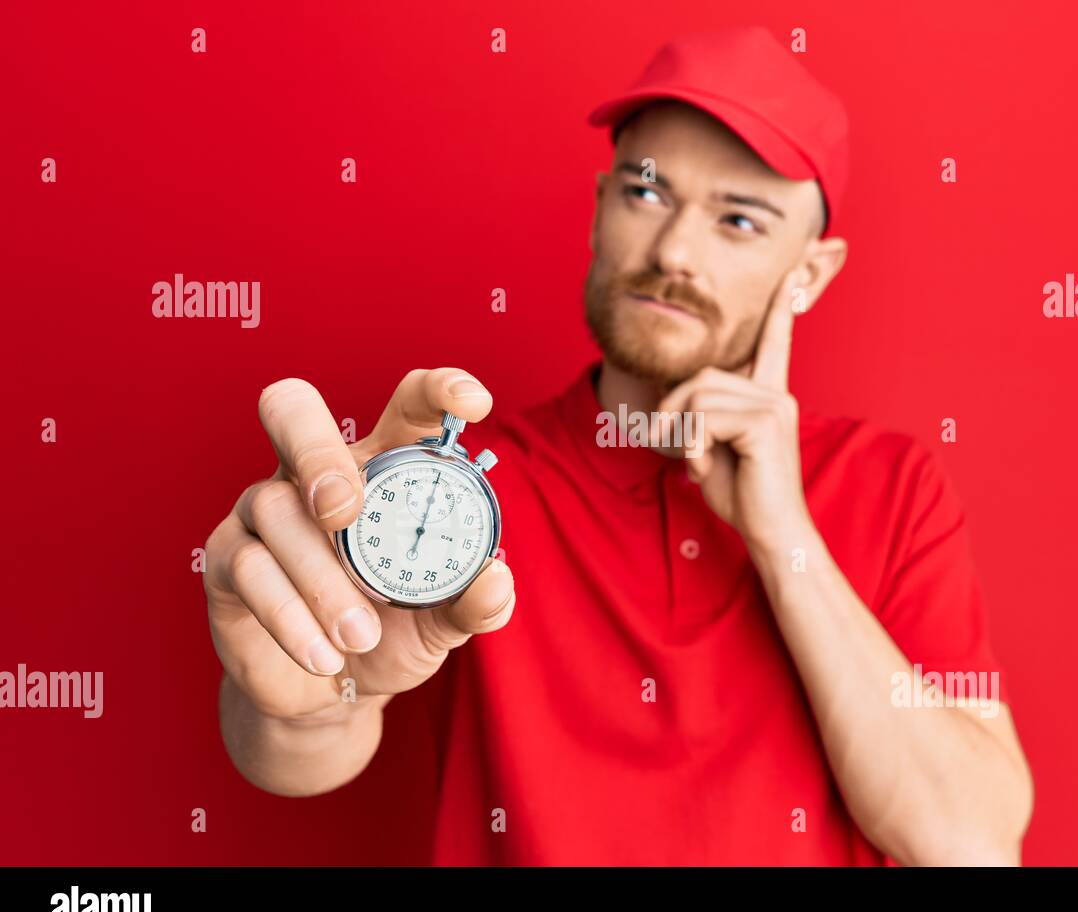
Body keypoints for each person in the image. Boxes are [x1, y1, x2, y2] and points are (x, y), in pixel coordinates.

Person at [202, 25, 1033, 865]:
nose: (674, 252)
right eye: (646, 191)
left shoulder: (892, 485)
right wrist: (310, 697)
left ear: (808, 275)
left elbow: (969, 846)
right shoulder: (457, 487)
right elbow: (299, 749)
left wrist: (787, 540)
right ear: (601, 206)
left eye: (739, 220)